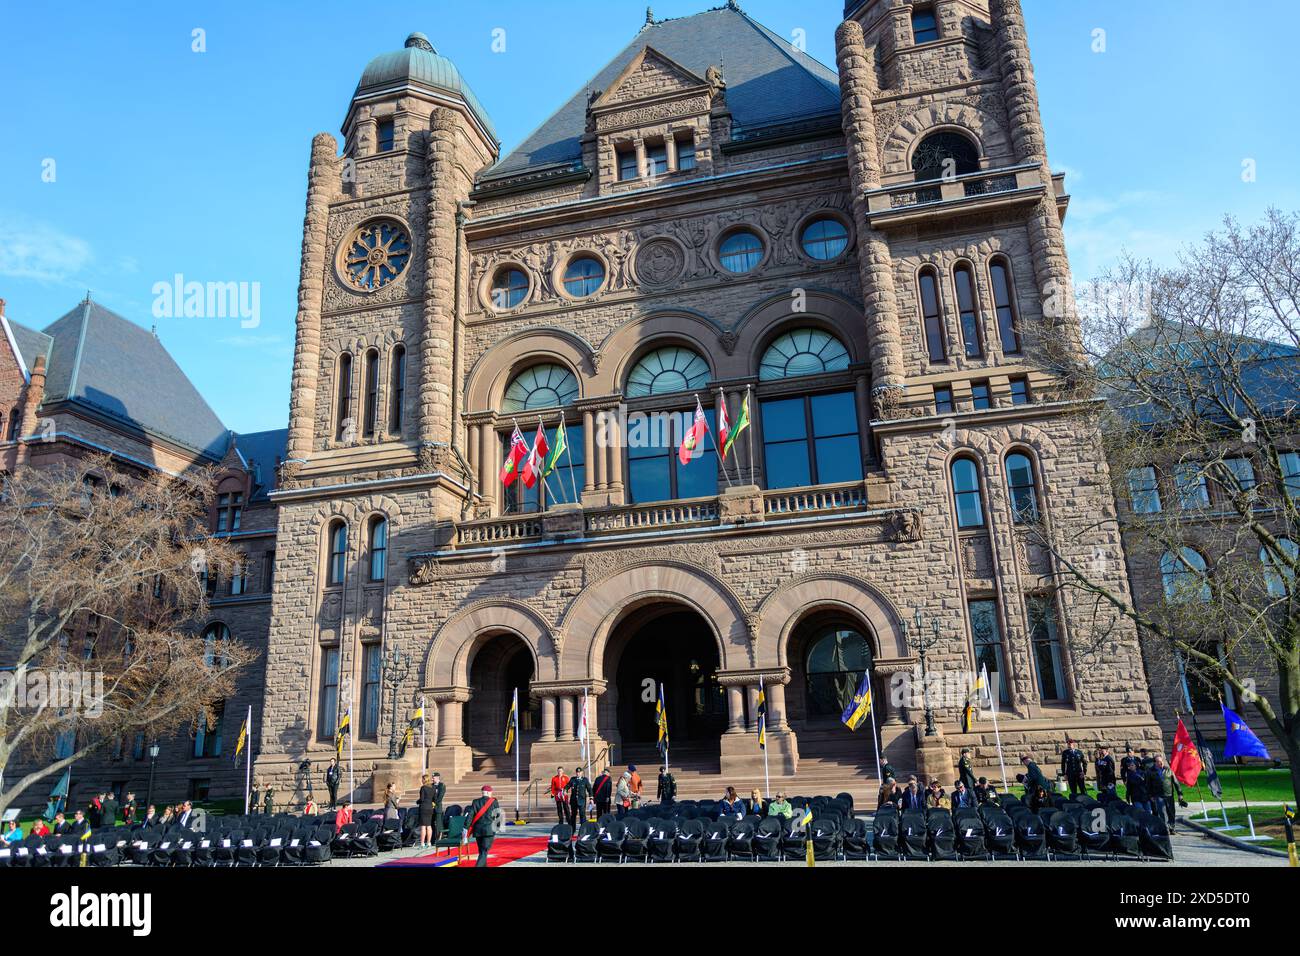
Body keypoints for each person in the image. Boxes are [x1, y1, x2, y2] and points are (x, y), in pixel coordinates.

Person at [466, 785, 502, 868]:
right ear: (489, 792)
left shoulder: (475, 802)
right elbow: (498, 815)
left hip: (478, 830)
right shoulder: (494, 802)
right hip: (489, 830)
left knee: (481, 851)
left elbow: (470, 816)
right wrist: (498, 827)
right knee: (484, 851)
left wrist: (466, 827)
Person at [1151, 754, 1176, 832]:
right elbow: (1148, 785)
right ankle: (1165, 828)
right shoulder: (1151, 772)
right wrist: (1151, 795)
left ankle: (1172, 827)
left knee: (1171, 812)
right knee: (1162, 811)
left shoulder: (1169, 770)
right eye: (1158, 762)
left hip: (1169, 795)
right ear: (1155, 763)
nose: (1161, 763)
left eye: (1162, 761)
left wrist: (1180, 794)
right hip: (1158, 795)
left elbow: (1176, 782)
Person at [417, 773, 437, 848]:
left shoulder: (423, 788)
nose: (421, 780)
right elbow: (435, 799)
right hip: (430, 808)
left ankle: (422, 843)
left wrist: (417, 801)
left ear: (424, 780)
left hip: (424, 808)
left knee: (423, 826)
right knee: (429, 825)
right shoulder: (433, 788)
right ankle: (429, 843)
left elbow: (421, 799)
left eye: (422, 779)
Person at [429, 771, 447, 844]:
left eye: (433, 778)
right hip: (430, 808)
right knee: (431, 823)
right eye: (432, 778)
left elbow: (440, 797)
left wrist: (434, 802)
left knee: (439, 824)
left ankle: (440, 839)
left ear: (437, 778)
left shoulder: (442, 785)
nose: (432, 779)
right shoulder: (431, 785)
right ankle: (433, 839)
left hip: (438, 807)